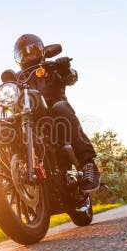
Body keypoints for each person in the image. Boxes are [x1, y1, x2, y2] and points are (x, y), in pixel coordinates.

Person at [13, 33, 100, 192]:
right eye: (23, 54)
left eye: (31, 51)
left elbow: (71, 77)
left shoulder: (51, 67)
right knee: (11, 124)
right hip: (30, 120)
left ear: (41, 50)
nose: (27, 56)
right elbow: (6, 98)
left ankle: (88, 164)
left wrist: (65, 68)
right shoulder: (16, 79)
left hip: (55, 118)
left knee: (60, 106)